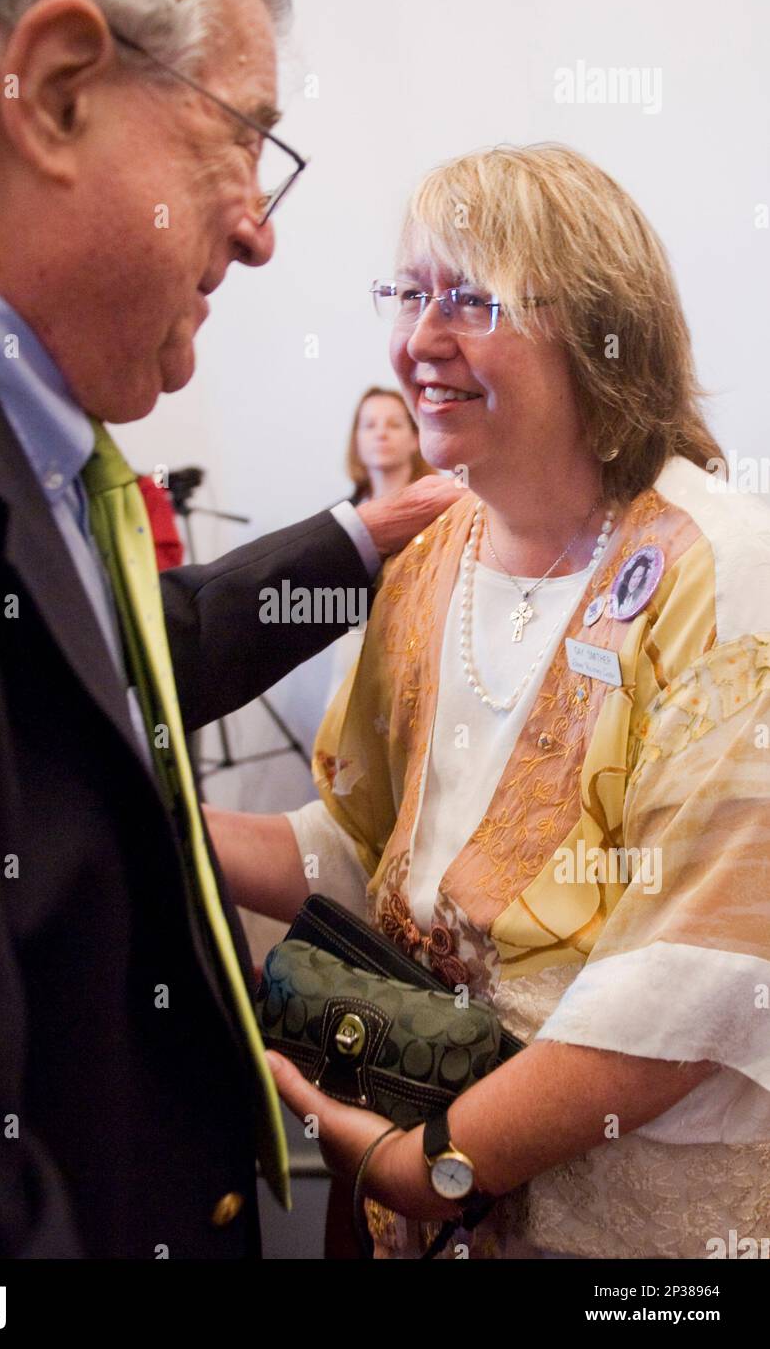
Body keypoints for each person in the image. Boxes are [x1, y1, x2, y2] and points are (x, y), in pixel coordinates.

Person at [0, 0, 459, 1260]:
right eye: (243, 140)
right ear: (59, 92)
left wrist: (358, 539)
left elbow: (120, 658)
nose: (258, 230)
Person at [207, 143, 770, 1259]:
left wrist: (440, 1161)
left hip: (621, 1230)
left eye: (470, 299)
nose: (419, 340)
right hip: (408, 1189)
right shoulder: (430, 556)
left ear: (602, 329)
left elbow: (701, 981)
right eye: (410, 295)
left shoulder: (725, 571)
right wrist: (155, 819)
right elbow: (370, 850)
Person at [326, 387, 435, 703]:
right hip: (352, 657)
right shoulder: (339, 520)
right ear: (356, 441)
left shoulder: (441, 512)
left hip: (419, 656)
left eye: (394, 424)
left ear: (415, 438)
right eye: (370, 425)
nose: (381, 434)